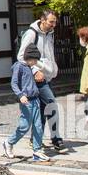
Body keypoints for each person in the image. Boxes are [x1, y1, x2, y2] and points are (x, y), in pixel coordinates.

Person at [19, 10, 64, 150]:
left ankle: (35, 139)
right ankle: (56, 138)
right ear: (42, 20)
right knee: (51, 103)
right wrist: (35, 70)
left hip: (47, 76)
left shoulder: (49, 34)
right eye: (51, 22)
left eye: (55, 22)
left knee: (44, 108)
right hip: (37, 78)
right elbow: (21, 56)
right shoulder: (31, 34)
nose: (53, 25)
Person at [2, 44, 51, 163]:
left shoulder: (30, 66)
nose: (35, 62)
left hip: (35, 99)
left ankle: (37, 150)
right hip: (26, 101)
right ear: (29, 58)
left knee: (38, 126)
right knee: (24, 126)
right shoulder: (19, 67)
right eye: (34, 60)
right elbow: (14, 83)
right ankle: (9, 142)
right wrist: (20, 95)